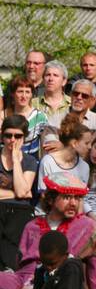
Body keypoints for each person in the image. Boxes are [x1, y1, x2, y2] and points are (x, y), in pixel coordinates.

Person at [0, 114, 38, 270]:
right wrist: (18, 193)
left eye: (18, 136)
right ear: (2, 136)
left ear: (24, 138)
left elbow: (23, 192)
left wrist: (16, 161)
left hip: (20, 212)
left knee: (11, 248)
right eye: (8, 135)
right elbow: (23, 193)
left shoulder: (29, 161)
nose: (12, 140)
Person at [36, 115, 92, 193]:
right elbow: (44, 195)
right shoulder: (48, 162)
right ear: (74, 143)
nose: (90, 147)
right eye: (87, 143)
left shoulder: (85, 167)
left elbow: (82, 196)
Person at [3, 77, 49, 158]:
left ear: (31, 94)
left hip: (31, 164)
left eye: (27, 92)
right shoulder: (3, 116)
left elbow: (45, 146)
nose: (24, 96)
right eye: (20, 91)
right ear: (13, 94)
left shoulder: (40, 117)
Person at [41, 61, 70, 127]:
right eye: (48, 75)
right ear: (43, 79)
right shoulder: (32, 104)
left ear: (64, 81)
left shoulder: (72, 104)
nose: (51, 79)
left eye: (55, 75)